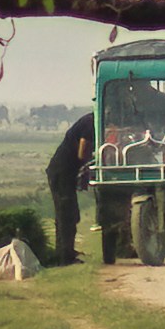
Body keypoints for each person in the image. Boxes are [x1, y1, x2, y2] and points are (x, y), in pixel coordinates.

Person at [45, 108, 95, 265]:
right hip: (62, 171)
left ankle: (65, 252)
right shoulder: (91, 123)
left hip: (64, 172)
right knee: (66, 214)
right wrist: (89, 164)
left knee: (69, 214)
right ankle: (64, 256)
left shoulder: (90, 120)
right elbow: (82, 151)